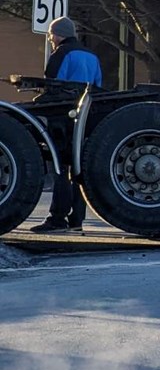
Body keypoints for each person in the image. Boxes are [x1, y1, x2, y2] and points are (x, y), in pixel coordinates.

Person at [31, 17, 102, 234]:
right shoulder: (92, 56)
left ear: (58, 34)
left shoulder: (61, 54)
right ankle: (77, 219)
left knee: (60, 167)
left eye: (51, 34)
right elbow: (98, 86)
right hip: (86, 116)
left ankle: (57, 218)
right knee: (78, 167)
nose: (50, 39)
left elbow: (52, 84)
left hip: (62, 116)